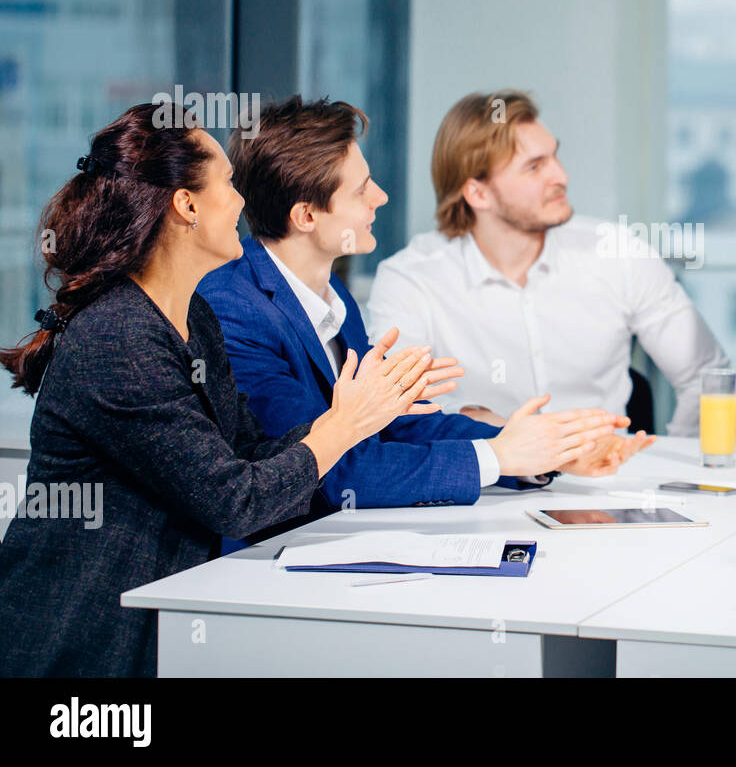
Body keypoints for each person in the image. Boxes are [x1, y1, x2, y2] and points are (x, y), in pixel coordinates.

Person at [0, 104, 442, 677]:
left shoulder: (195, 318)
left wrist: (360, 410)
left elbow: (251, 454)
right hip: (81, 648)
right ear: (186, 205)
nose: (240, 201)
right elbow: (236, 500)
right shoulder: (119, 338)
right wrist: (345, 424)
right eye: (228, 184)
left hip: (151, 627)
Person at [200, 96, 639, 538]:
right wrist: (499, 456)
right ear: (306, 215)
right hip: (269, 565)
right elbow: (329, 470)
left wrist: (545, 450)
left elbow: (395, 424)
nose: (381, 197)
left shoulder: (332, 298)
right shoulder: (234, 311)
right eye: (361, 189)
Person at [367, 90, 730, 436]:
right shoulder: (410, 279)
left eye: (554, 157)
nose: (561, 177)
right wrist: (494, 430)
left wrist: (680, 466)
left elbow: (707, 374)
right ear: (478, 193)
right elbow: (401, 410)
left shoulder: (616, 251)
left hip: (608, 484)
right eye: (534, 167)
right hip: (484, 490)